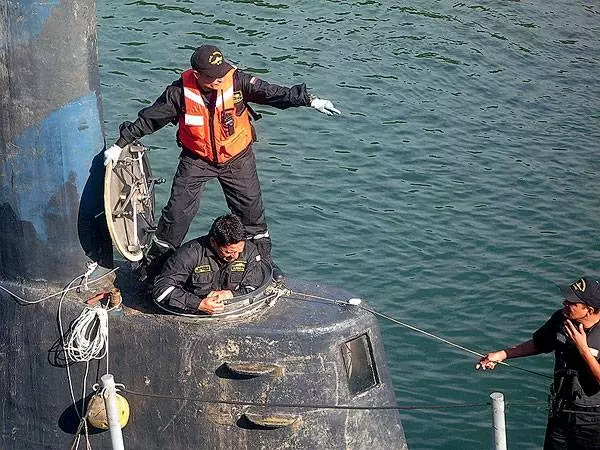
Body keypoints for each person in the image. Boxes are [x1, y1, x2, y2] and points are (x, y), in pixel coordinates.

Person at [104, 44, 340, 282]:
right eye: (213, 77)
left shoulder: (237, 81)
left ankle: (263, 264)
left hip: (237, 157)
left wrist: (310, 100)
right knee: (177, 213)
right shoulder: (178, 93)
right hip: (197, 158)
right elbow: (150, 119)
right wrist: (120, 144)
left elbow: (272, 93)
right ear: (197, 75)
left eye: (221, 73)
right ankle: (154, 267)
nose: (219, 79)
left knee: (252, 215)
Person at [476, 277, 600, 449]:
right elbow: (538, 344)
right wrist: (502, 354)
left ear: (589, 310)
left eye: (572, 302)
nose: (564, 302)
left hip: (593, 421)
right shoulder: (561, 319)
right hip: (560, 412)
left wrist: (583, 348)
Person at [152, 214, 264, 315]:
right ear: (213, 242)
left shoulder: (250, 251)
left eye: (239, 251)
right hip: (193, 313)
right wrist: (198, 304)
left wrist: (230, 295)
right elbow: (161, 290)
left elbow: (254, 286)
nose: (235, 256)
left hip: (231, 313)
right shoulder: (189, 254)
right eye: (229, 252)